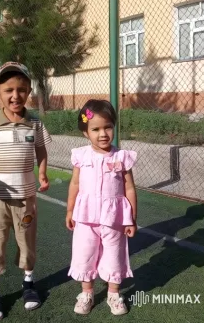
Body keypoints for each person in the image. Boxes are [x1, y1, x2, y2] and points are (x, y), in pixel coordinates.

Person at [0, 62, 52, 319]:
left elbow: (40, 149)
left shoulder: (34, 124)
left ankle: (28, 284)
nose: (15, 95)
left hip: (26, 198)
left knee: (27, 242)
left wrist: (42, 171)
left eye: (21, 89)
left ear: (29, 91)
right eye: (8, 90)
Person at [65, 99, 138, 315]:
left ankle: (114, 293)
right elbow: (75, 184)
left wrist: (132, 218)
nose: (103, 133)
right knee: (85, 252)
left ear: (114, 126)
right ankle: (87, 292)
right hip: (85, 218)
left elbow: (130, 188)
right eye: (95, 129)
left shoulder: (122, 157)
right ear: (86, 133)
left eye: (107, 127)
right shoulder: (81, 156)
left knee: (115, 254)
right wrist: (70, 211)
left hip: (114, 218)